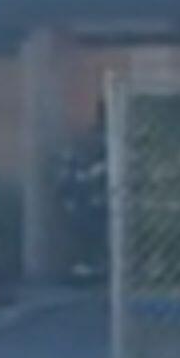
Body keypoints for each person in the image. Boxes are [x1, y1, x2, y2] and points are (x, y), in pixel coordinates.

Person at [54, 102, 109, 284]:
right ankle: (88, 270)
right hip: (90, 205)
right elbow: (68, 175)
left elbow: (65, 177)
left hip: (89, 206)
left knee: (90, 241)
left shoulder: (83, 142)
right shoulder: (89, 143)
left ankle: (89, 269)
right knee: (91, 242)